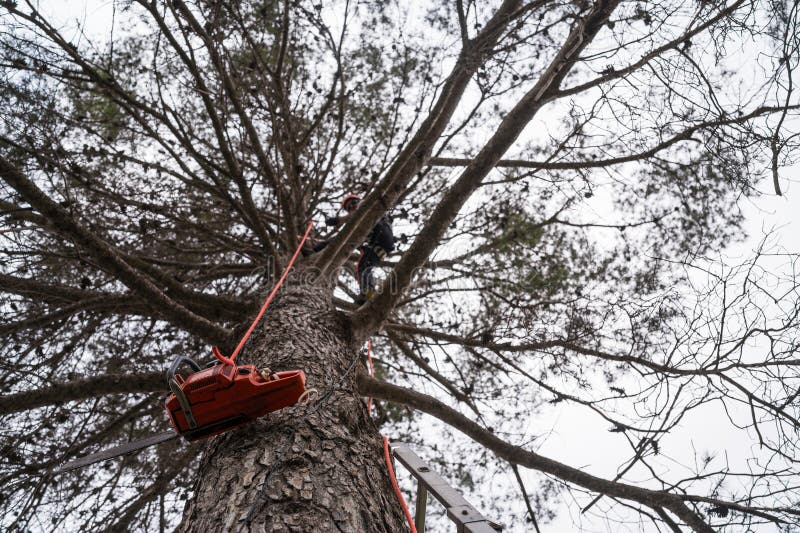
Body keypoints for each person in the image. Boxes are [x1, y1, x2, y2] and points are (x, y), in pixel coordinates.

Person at [309, 194, 395, 304]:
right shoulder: (359, 220)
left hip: (381, 233)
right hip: (377, 244)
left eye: (353, 203)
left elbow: (355, 215)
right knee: (361, 262)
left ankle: (368, 292)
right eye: (348, 208)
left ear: (357, 200)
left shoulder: (365, 204)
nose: (352, 207)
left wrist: (337, 220)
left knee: (362, 264)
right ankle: (368, 294)